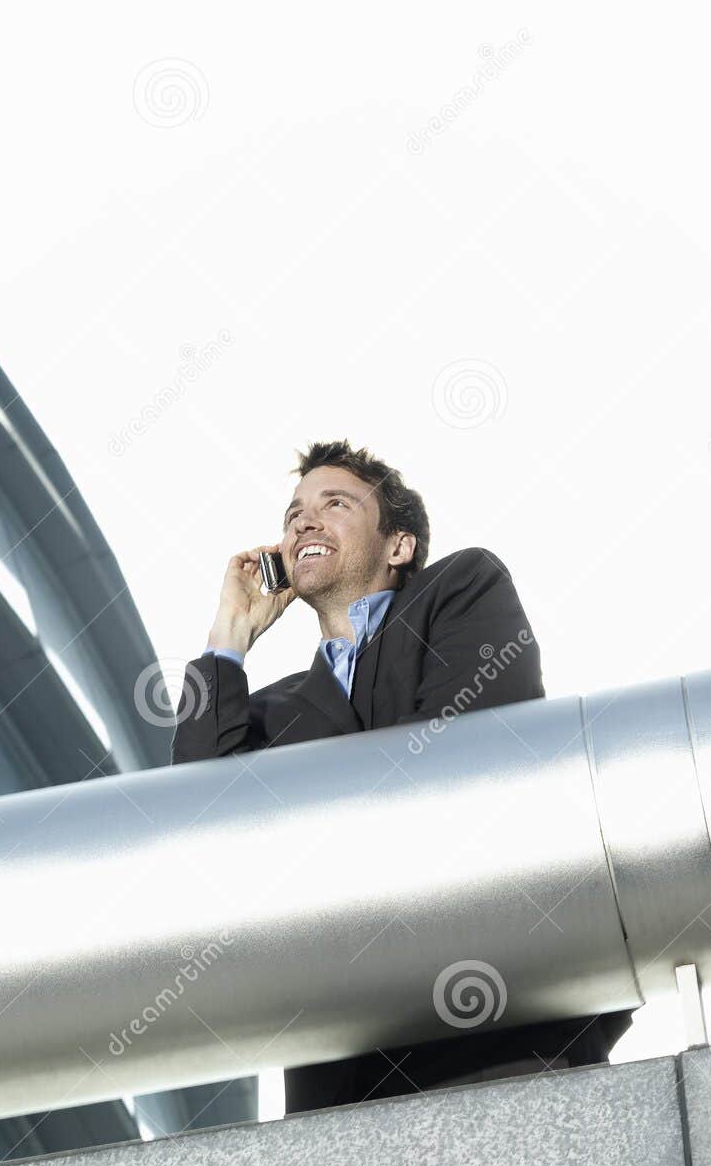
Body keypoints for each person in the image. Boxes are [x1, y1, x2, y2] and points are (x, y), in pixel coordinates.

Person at [171, 438, 632, 1111]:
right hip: (349, 1082)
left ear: (399, 546)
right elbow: (197, 827)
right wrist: (229, 637)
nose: (304, 521)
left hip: (503, 1039)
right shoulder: (267, 710)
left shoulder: (459, 590)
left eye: (335, 504)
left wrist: (297, 836)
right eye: (294, 513)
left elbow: (460, 778)